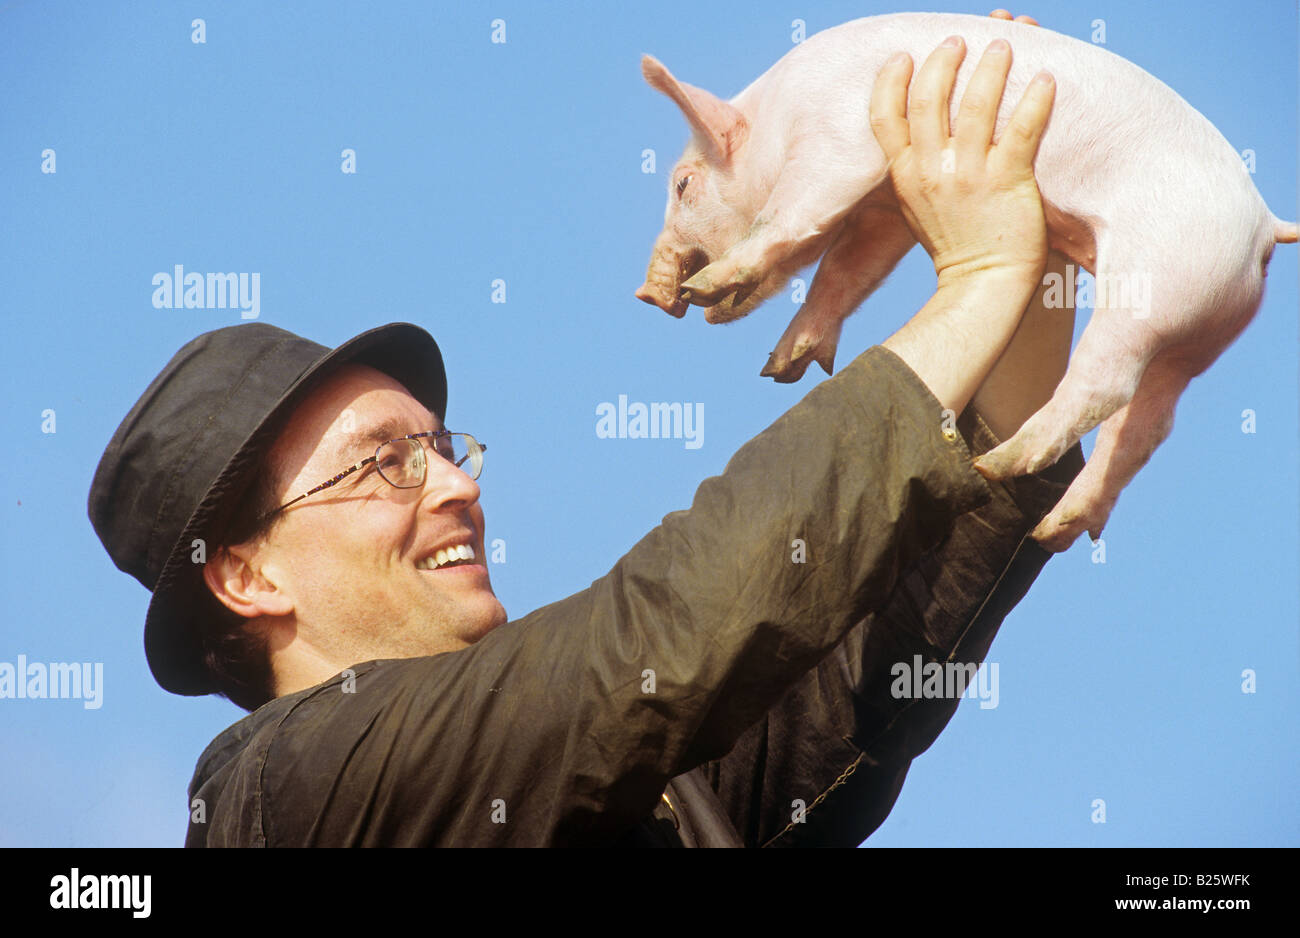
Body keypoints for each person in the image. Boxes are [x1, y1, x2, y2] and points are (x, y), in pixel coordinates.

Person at [89, 32, 1083, 846]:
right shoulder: (279, 796)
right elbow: (660, 640)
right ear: (246, 578)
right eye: (384, 461)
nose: (454, 484)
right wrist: (981, 272)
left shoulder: (654, 794)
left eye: (440, 445)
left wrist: (1029, 239)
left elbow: (860, 667)